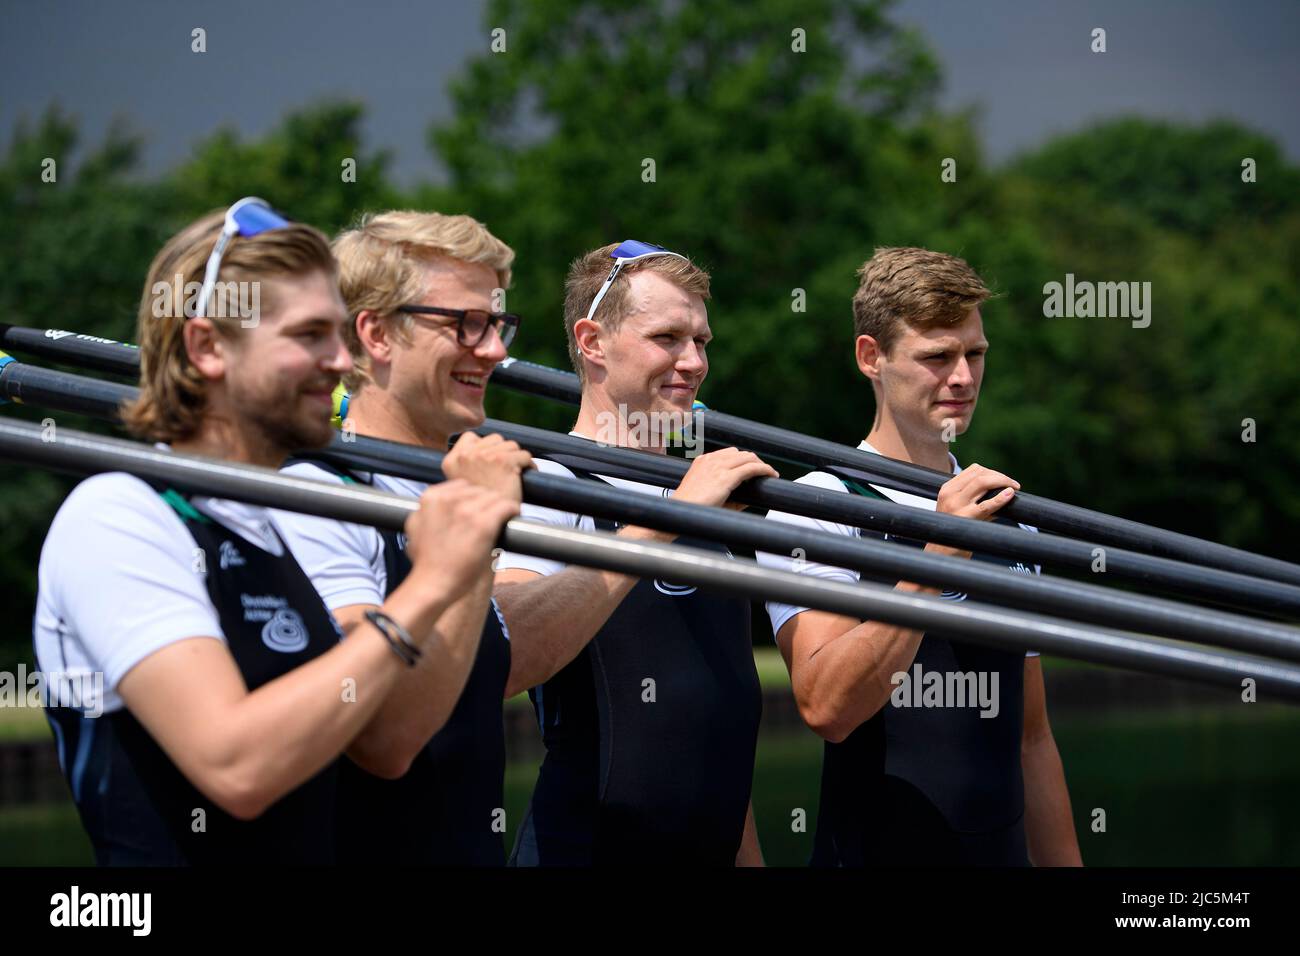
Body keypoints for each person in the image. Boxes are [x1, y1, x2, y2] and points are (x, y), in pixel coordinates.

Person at [32, 199, 518, 865]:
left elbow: (382, 733)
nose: (340, 359)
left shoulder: (270, 523)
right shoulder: (117, 515)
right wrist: (436, 578)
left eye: (339, 335)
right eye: (308, 336)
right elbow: (237, 768)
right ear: (207, 347)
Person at [757, 246, 1082, 866]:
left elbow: (1031, 739)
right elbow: (827, 707)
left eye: (975, 354)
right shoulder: (814, 507)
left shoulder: (1012, 519)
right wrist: (938, 554)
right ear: (870, 358)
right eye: (937, 357)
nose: (962, 377)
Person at [493, 240, 777, 866]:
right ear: (592, 342)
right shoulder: (549, 484)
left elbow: (713, 734)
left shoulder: (704, 496)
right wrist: (669, 521)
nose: (694, 361)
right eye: (668, 338)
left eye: (702, 341)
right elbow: (505, 651)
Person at [272, 210, 534, 865]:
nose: (495, 350)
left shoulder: (434, 487)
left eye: (498, 324)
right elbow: (387, 739)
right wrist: (476, 526)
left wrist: (654, 527)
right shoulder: (320, 495)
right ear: (377, 334)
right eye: (466, 324)